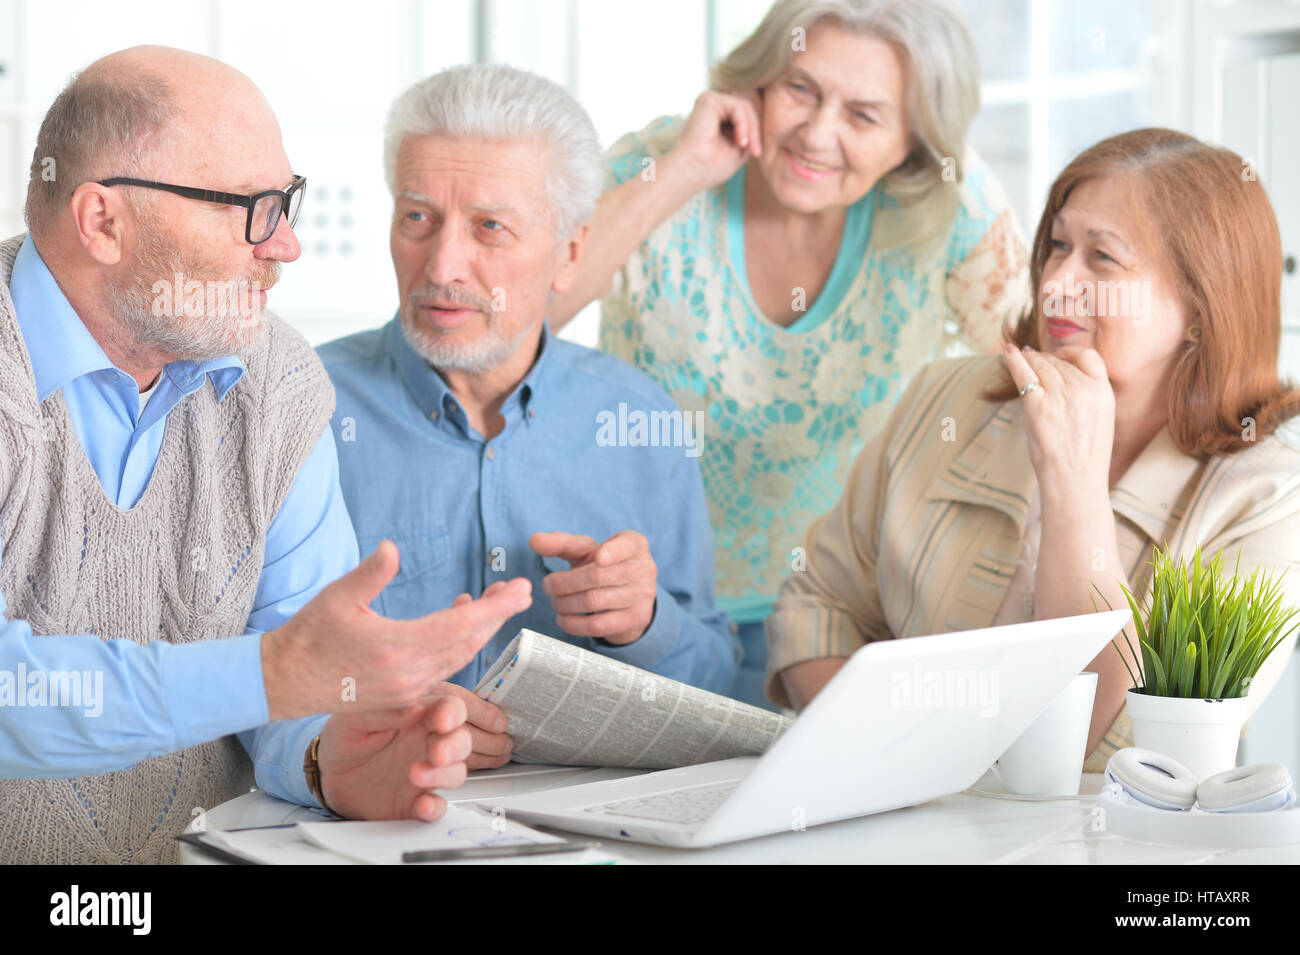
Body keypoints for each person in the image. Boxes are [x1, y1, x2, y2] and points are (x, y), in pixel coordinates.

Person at [0, 46, 533, 864]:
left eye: (285, 202)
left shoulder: (276, 383)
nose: (284, 246)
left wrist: (330, 755)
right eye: (249, 206)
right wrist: (269, 674)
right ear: (102, 220)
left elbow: (298, 669)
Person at [766, 127, 1300, 771]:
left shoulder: (1272, 500)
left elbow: (1127, 749)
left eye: (1103, 258)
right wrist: (883, 768)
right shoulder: (947, 398)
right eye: (1057, 245)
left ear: (1199, 307)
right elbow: (816, 607)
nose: (1057, 281)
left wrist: (1073, 489)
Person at [546, 0, 1030, 709]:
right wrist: (683, 172)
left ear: (914, 144)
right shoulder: (663, 163)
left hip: (847, 626)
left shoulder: (953, 204)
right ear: (759, 83)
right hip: (652, 617)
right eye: (800, 89)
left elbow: (1036, 376)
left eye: (864, 116)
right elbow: (527, 314)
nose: (817, 134)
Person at [318, 63, 739, 769]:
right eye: (418, 218)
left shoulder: (641, 420)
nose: (444, 264)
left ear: (570, 253)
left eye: (490, 228)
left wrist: (646, 621)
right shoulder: (304, 412)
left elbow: (716, 683)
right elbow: (245, 674)